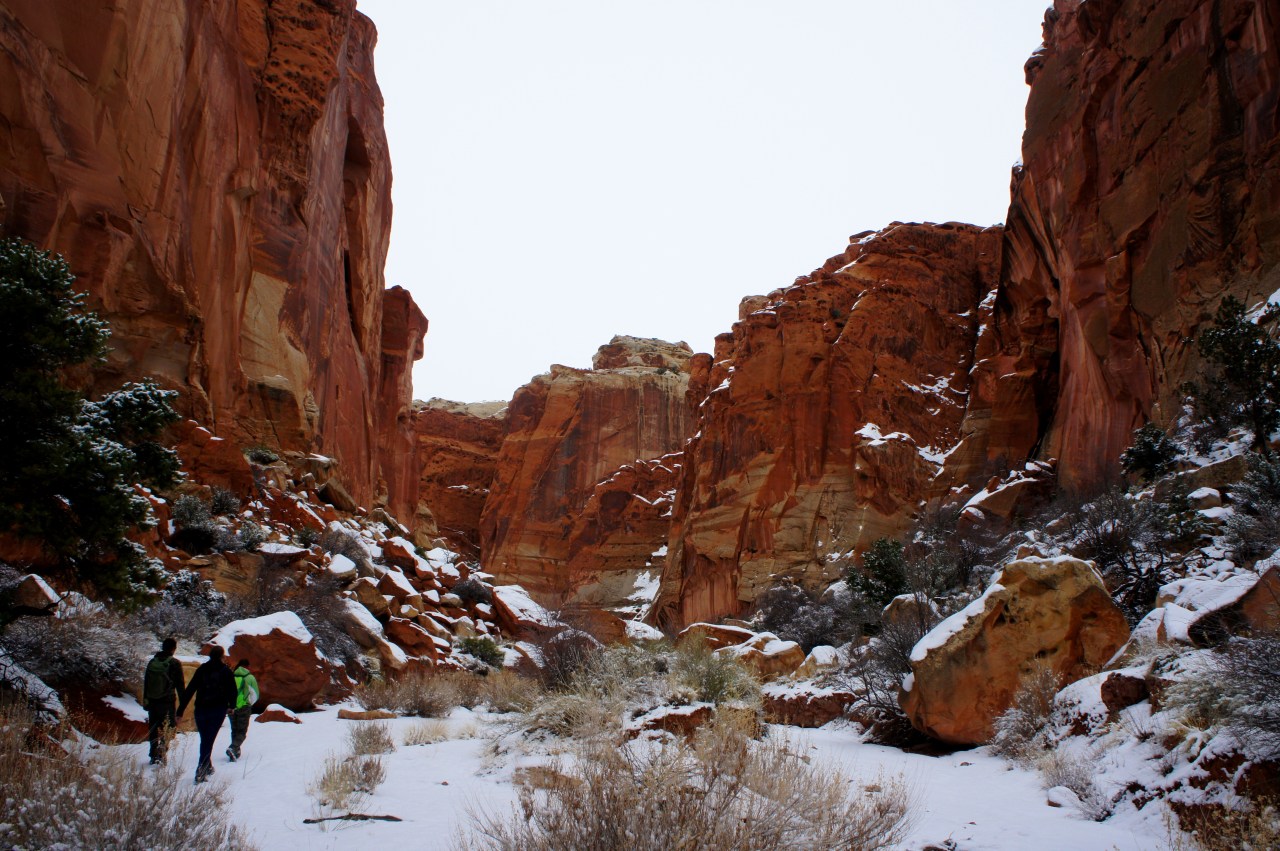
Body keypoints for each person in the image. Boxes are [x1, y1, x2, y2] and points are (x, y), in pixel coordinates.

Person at [177, 645, 237, 784]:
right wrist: (231, 706)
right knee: (208, 739)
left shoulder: (202, 669)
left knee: (205, 738)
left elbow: (190, 689)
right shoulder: (226, 671)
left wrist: (180, 711)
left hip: (201, 709)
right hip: (217, 710)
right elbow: (232, 691)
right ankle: (201, 770)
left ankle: (207, 766)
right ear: (222, 656)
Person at [142, 637, 186, 765]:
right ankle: (162, 749)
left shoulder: (152, 662)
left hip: (152, 700)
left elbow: (146, 682)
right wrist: (182, 707)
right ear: (174, 649)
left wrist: (146, 700)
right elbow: (180, 687)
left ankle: (153, 754)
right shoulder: (175, 663)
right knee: (169, 727)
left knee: (153, 727)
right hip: (167, 701)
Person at [226, 658, 259, 762]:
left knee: (234, 730)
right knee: (242, 732)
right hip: (244, 707)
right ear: (247, 666)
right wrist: (249, 703)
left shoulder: (231, 676)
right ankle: (233, 748)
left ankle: (235, 752)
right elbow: (255, 694)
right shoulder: (249, 678)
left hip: (231, 708)